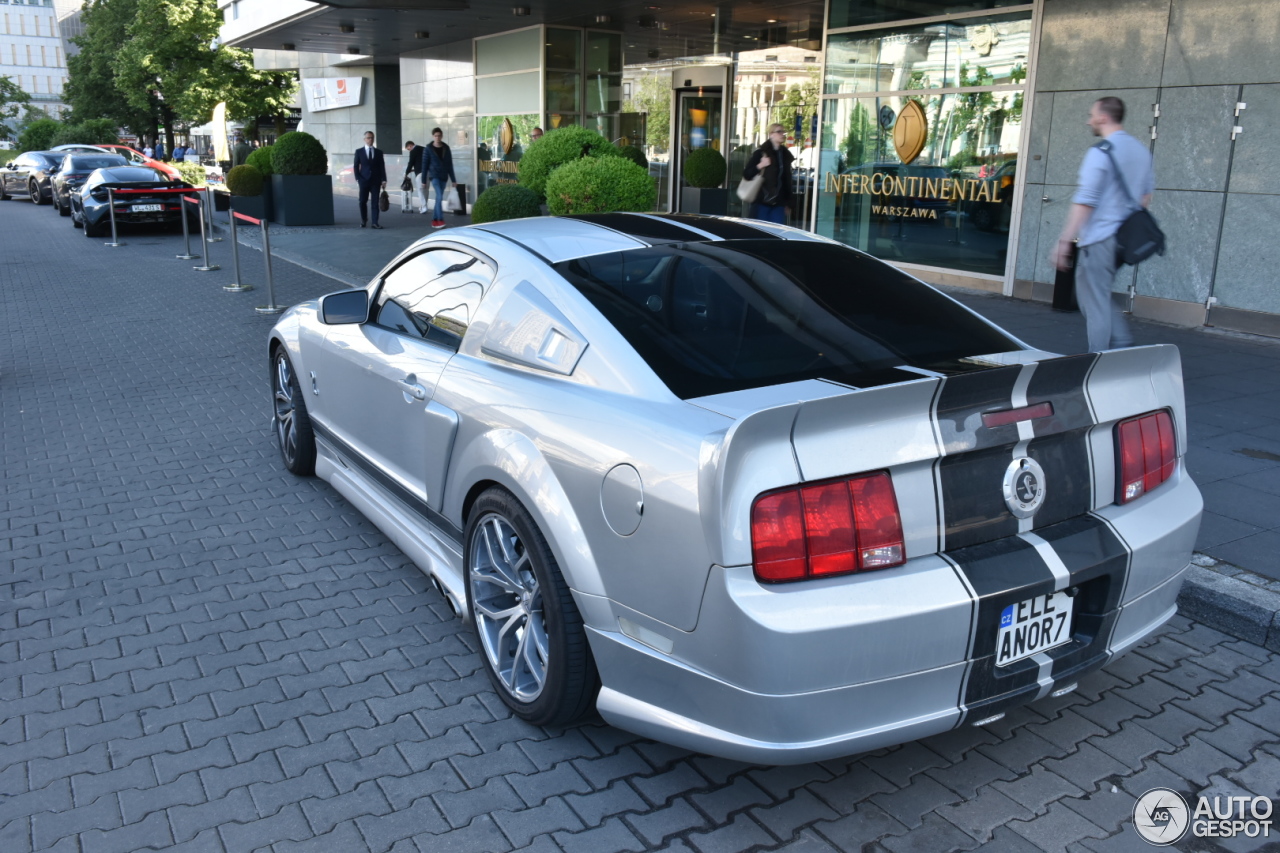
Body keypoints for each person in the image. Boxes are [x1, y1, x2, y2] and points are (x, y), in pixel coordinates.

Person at [1053, 96, 1153, 353]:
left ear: (1103, 118)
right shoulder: (1141, 150)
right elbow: (1145, 198)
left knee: (1093, 303)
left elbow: (1085, 200)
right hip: (1125, 239)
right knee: (1098, 294)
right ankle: (1120, 342)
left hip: (1099, 238)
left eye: (1091, 115)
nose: (1089, 121)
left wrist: (1065, 240)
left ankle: (1098, 361)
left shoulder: (1100, 152)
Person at [741, 123, 794, 224]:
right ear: (771, 134)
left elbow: (787, 180)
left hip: (779, 203)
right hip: (762, 202)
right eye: (779, 131)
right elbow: (747, 174)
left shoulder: (785, 155)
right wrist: (761, 165)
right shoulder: (761, 153)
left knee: (776, 234)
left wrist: (788, 203)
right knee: (761, 233)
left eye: (783, 132)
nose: (782, 134)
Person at [422, 126, 456, 229]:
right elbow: (424, 165)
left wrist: (453, 179)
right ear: (433, 136)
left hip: (443, 176)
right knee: (440, 196)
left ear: (441, 136)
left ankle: (435, 220)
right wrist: (424, 180)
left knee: (438, 198)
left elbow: (449, 164)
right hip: (434, 176)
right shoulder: (428, 149)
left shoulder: (446, 148)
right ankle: (440, 220)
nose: (437, 137)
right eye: (436, 136)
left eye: (439, 136)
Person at [354, 130, 388, 229]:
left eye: (372, 137)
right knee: (362, 201)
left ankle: (375, 222)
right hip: (363, 180)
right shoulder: (359, 152)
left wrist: (384, 179)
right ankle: (364, 219)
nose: (370, 139)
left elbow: (382, 166)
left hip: (375, 181)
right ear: (364, 139)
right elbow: (356, 166)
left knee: (375, 202)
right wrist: (358, 178)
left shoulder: (378, 152)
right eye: (368, 138)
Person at [403, 140, 426, 213]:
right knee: (426, 190)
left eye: (408, 149)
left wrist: (406, 173)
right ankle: (424, 205)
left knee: (420, 190)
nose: (409, 150)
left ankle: (424, 207)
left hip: (419, 173)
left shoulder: (413, 151)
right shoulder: (424, 149)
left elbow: (411, 163)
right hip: (428, 172)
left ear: (410, 146)